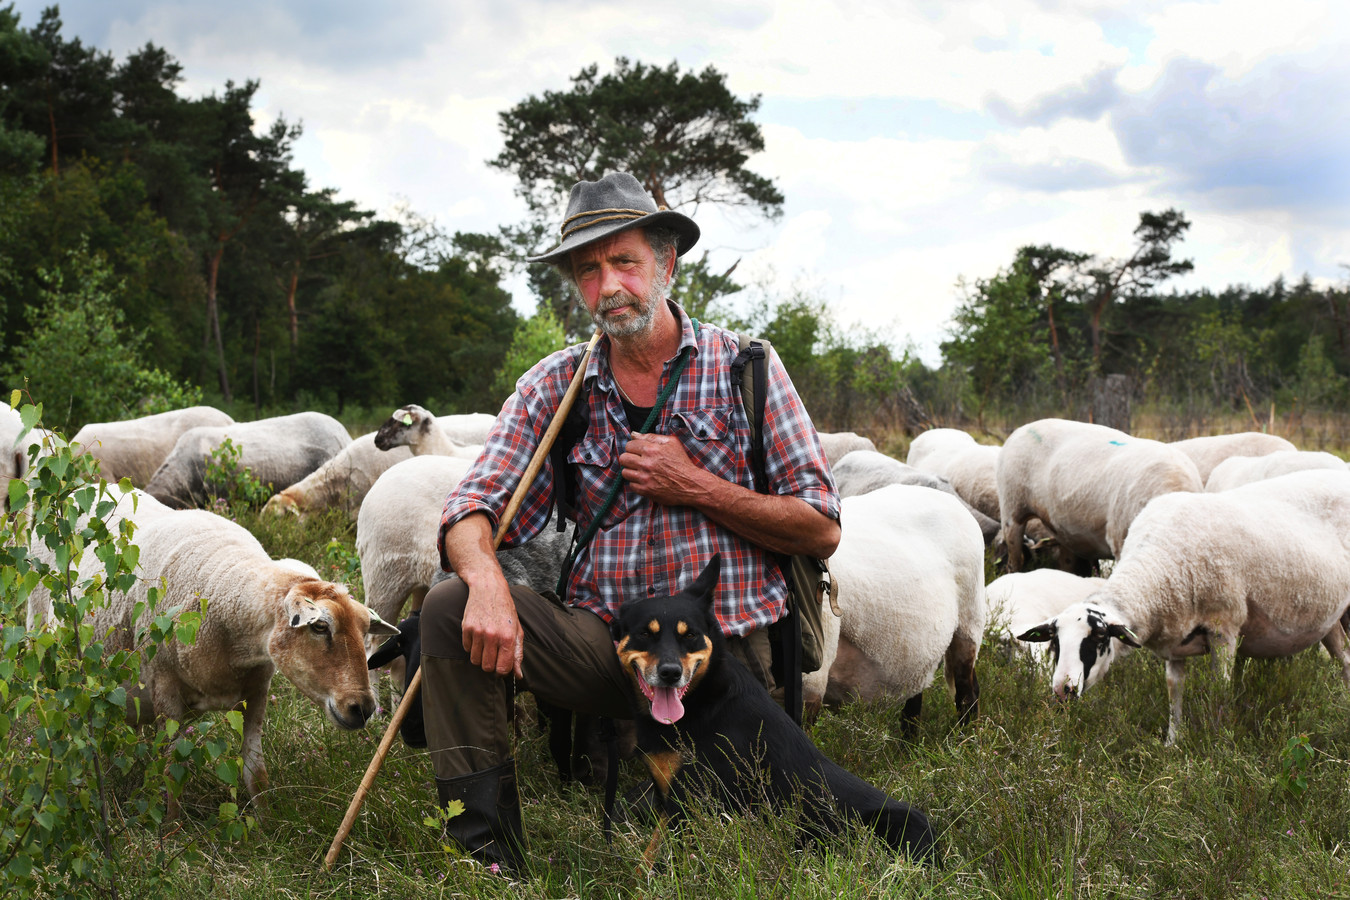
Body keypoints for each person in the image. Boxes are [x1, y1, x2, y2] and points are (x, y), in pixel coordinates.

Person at [419, 171, 841, 872]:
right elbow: (470, 506)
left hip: (724, 652)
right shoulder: (555, 386)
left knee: (721, 847)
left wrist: (696, 485)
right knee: (446, 606)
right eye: (588, 271)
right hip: (609, 645)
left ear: (666, 263)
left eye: (624, 262)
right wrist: (487, 584)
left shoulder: (744, 370)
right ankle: (486, 858)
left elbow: (820, 525)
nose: (608, 285)